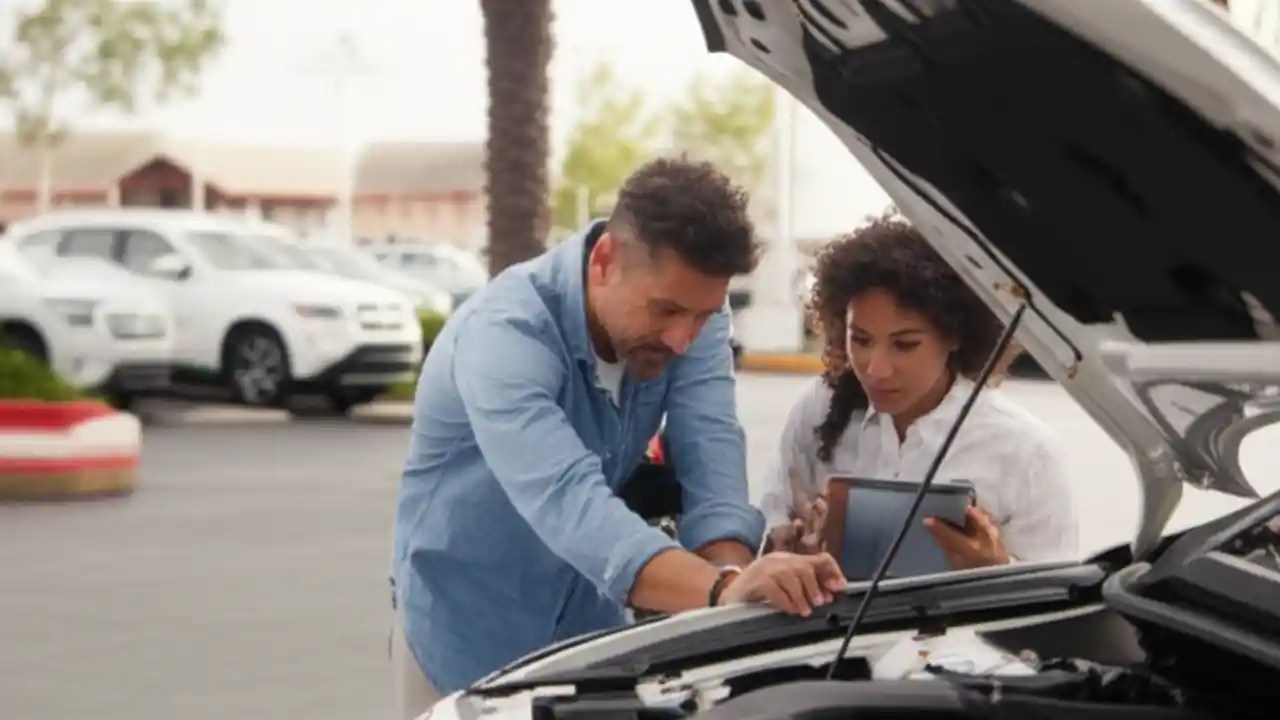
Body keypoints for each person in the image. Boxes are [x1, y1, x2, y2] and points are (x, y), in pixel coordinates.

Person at [390, 157, 846, 717]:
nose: (684, 339)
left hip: (595, 637)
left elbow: (712, 454)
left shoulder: (694, 312)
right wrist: (722, 591)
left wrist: (735, 577)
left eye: (702, 316)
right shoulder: (503, 336)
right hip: (467, 640)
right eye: (667, 311)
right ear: (605, 261)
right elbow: (569, 502)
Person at [760, 215, 1078, 570]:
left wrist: (995, 568)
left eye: (905, 344)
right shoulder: (817, 408)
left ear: (955, 335)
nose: (876, 368)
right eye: (860, 340)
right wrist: (789, 550)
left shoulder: (1028, 452)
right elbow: (769, 532)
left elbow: (1050, 600)